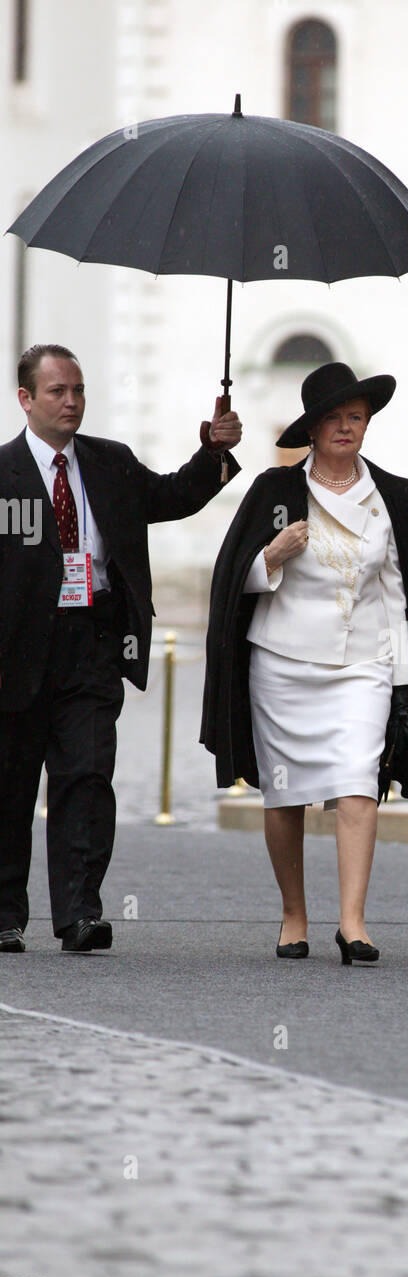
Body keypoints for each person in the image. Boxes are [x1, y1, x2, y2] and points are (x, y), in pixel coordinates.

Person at [201, 362, 408, 965]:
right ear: (312, 429)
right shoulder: (274, 489)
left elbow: (402, 589)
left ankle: (353, 922)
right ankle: (294, 916)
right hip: (283, 663)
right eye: (335, 419)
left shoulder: (391, 492)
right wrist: (271, 557)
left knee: (358, 784)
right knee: (283, 795)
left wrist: (405, 681)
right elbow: (231, 580)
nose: (347, 427)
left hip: (363, 663)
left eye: (356, 418)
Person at [0, 344, 242, 954]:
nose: (72, 401)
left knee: (86, 776)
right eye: (58, 392)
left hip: (94, 643)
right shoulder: (2, 475)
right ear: (26, 399)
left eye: (78, 390)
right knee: (11, 783)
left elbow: (172, 497)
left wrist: (213, 451)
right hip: (17, 651)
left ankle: (80, 913)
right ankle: (4, 915)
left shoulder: (110, 463)